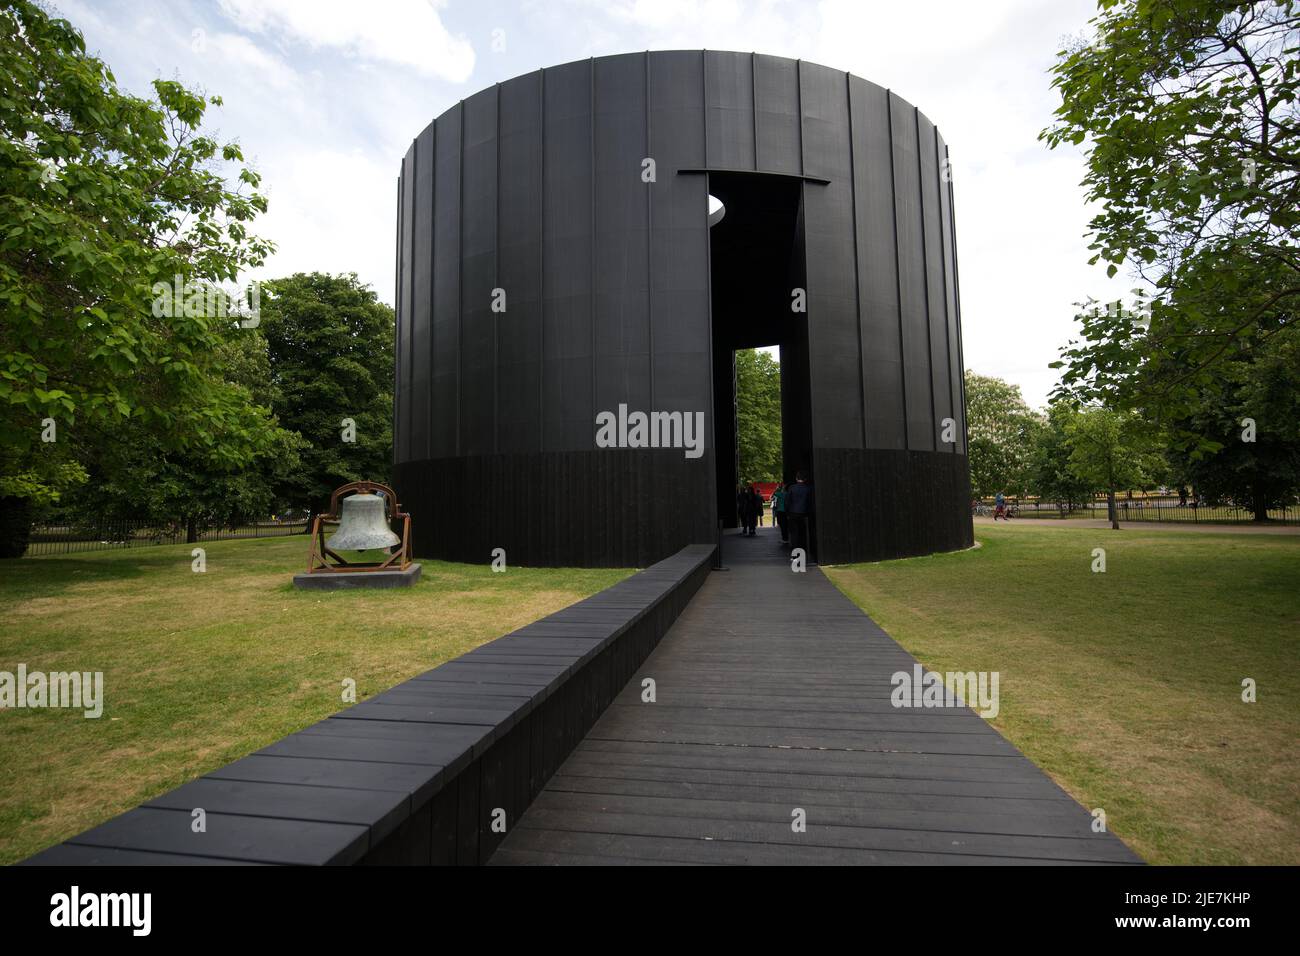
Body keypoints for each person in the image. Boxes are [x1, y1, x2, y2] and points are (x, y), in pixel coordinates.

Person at [786, 470, 813, 555]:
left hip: (793, 513)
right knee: (803, 533)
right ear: (804, 479)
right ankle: (803, 551)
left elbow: (787, 502)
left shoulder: (792, 488)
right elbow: (810, 502)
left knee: (794, 533)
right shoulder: (808, 488)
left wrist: (787, 513)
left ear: (796, 478)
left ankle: (795, 552)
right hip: (804, 513)